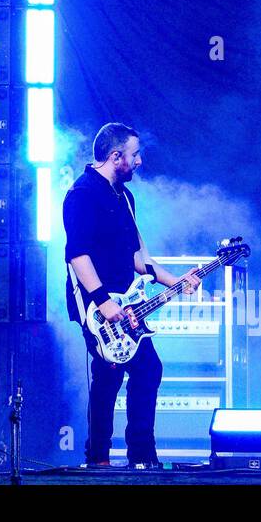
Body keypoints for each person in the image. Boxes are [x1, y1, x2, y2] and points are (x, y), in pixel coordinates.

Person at [62, 122, 199, 467]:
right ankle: (99, 459)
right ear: (115, 156)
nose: (139, 162)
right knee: (109, 372)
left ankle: (141, 457)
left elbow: (139, 258)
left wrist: (175, 282)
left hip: (126, 302)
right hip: (96, 306)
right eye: (134, 155)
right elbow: (77, 255)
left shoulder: (125, 197)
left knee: (147, 368)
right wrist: (102, 302)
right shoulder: (81, 195)